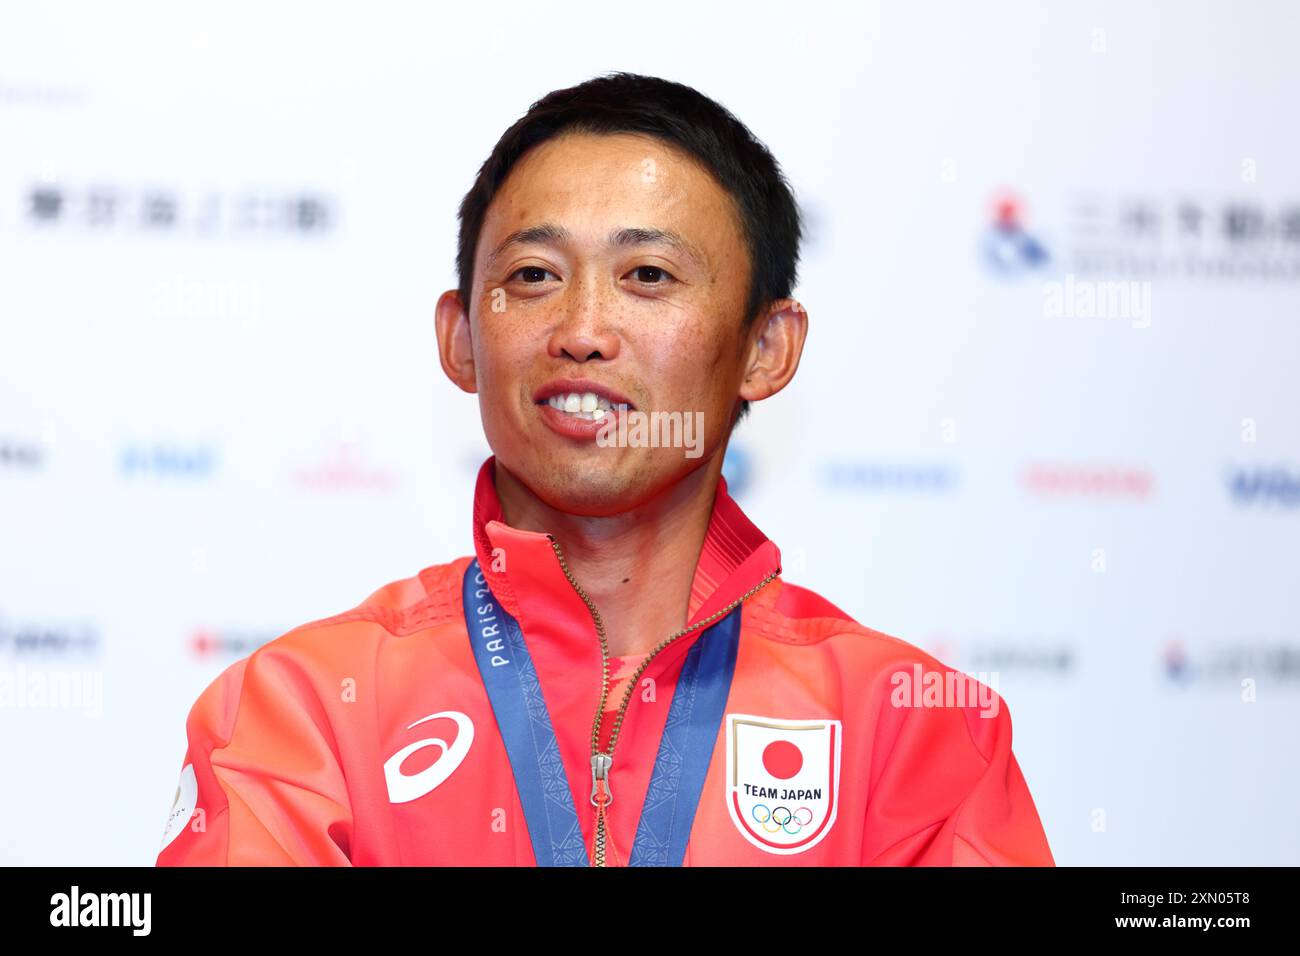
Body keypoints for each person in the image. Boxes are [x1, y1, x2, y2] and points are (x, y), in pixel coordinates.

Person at [155, 71, 1054, 866]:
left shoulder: (911, 731)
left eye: (650, 275)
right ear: (462, 339)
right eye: (536, 275)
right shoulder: (302, 716)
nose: (582, 330)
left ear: (766, 349)